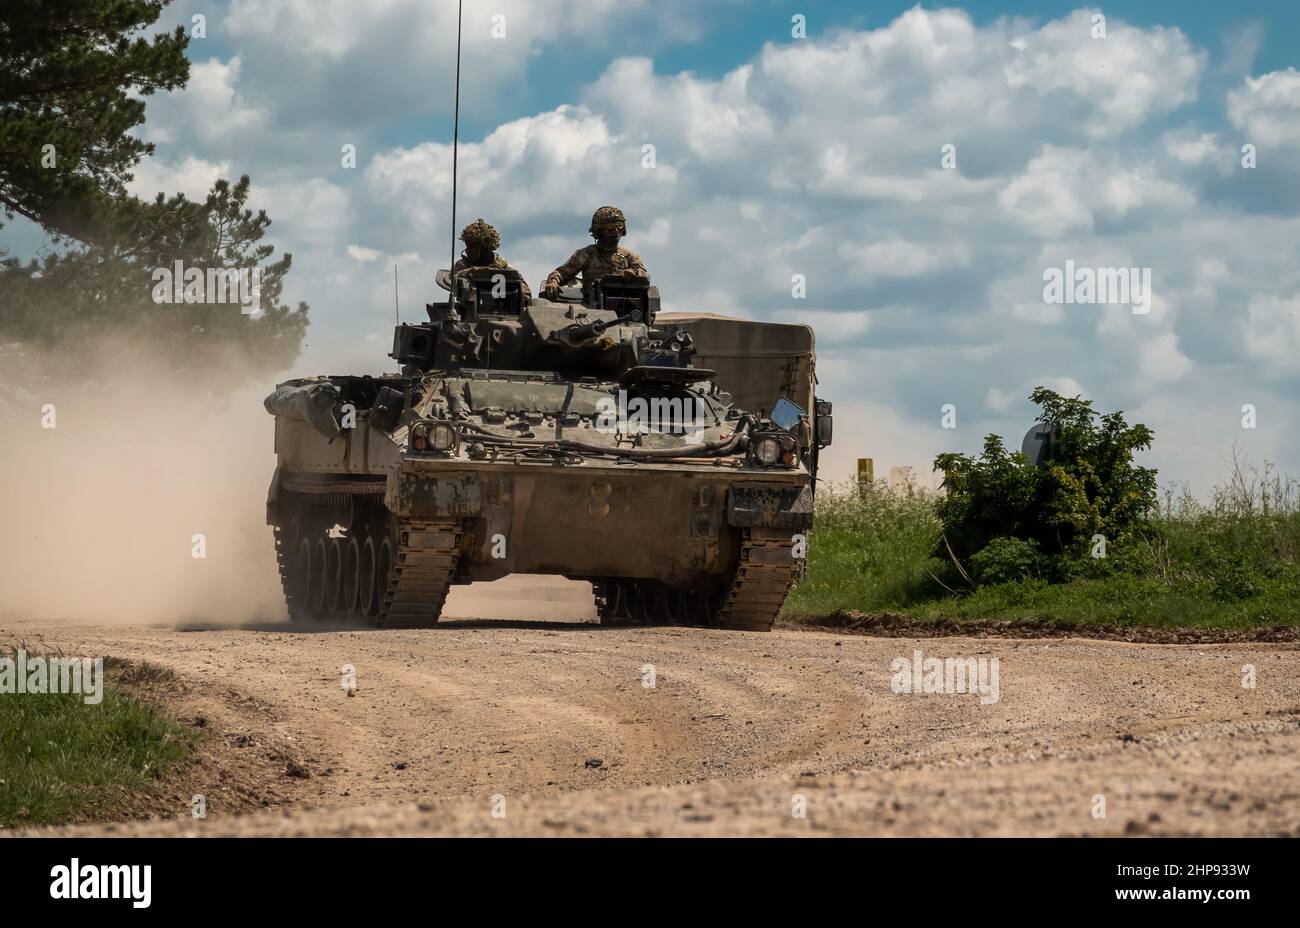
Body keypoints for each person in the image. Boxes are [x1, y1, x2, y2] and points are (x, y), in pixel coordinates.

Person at [540, 206, 648, 300]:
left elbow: (644, 274)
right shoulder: (586, 254)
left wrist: (633, 273)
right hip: (591, 307)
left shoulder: (629, 256)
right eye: (609, 228)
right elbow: (561, 273)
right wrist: (553, 282)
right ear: (599, 231)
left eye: (619, 226)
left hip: (625, 306)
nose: (615, 231)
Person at [451, 218, 530, 296]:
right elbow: (451, 279)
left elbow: (527, 293)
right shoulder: (462, 265)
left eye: (471, 246)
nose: (467, 251)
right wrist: (468, 272)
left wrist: (485, 271)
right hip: (470, 307)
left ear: (484, 247)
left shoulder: (504, 267)